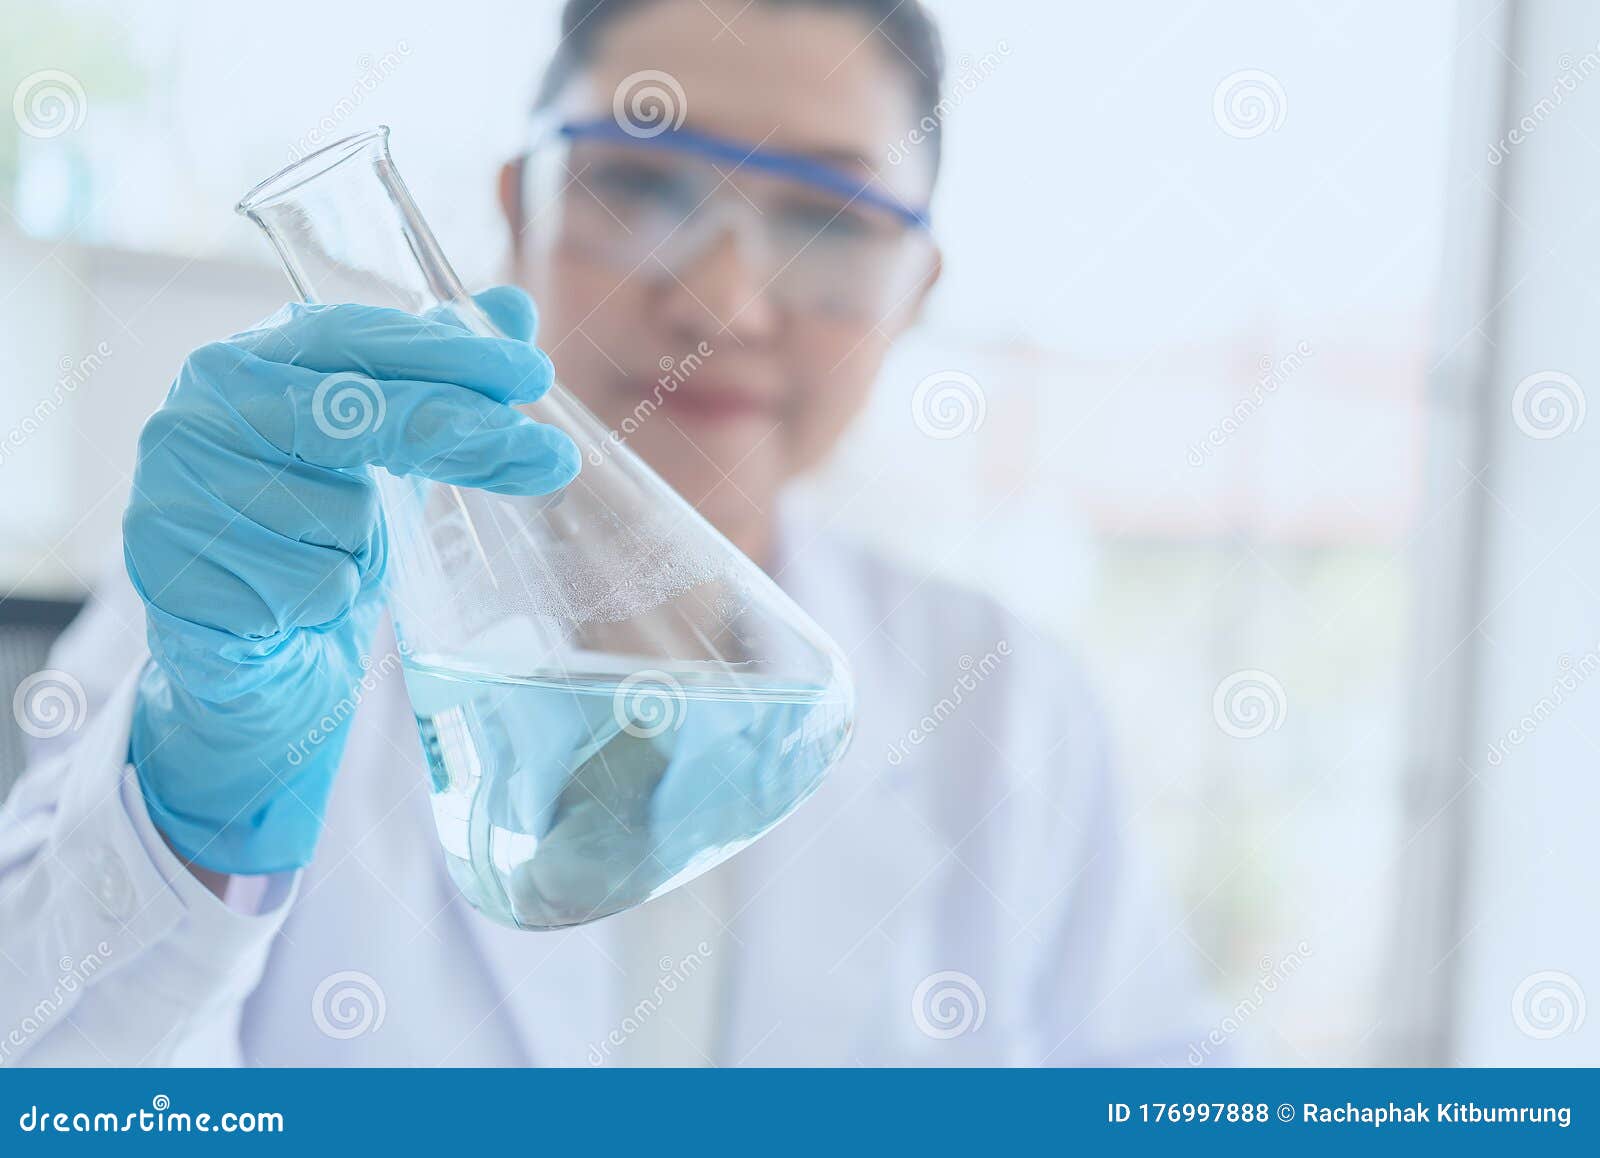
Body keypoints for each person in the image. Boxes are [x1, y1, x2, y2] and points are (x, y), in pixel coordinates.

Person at [0, 0, 1209, 1065]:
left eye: (830, 218)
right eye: (640, 184)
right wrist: (191, 826)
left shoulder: (1009, 706)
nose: (722, 304)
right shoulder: (254, 618)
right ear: (517, 210)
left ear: (915, 290)